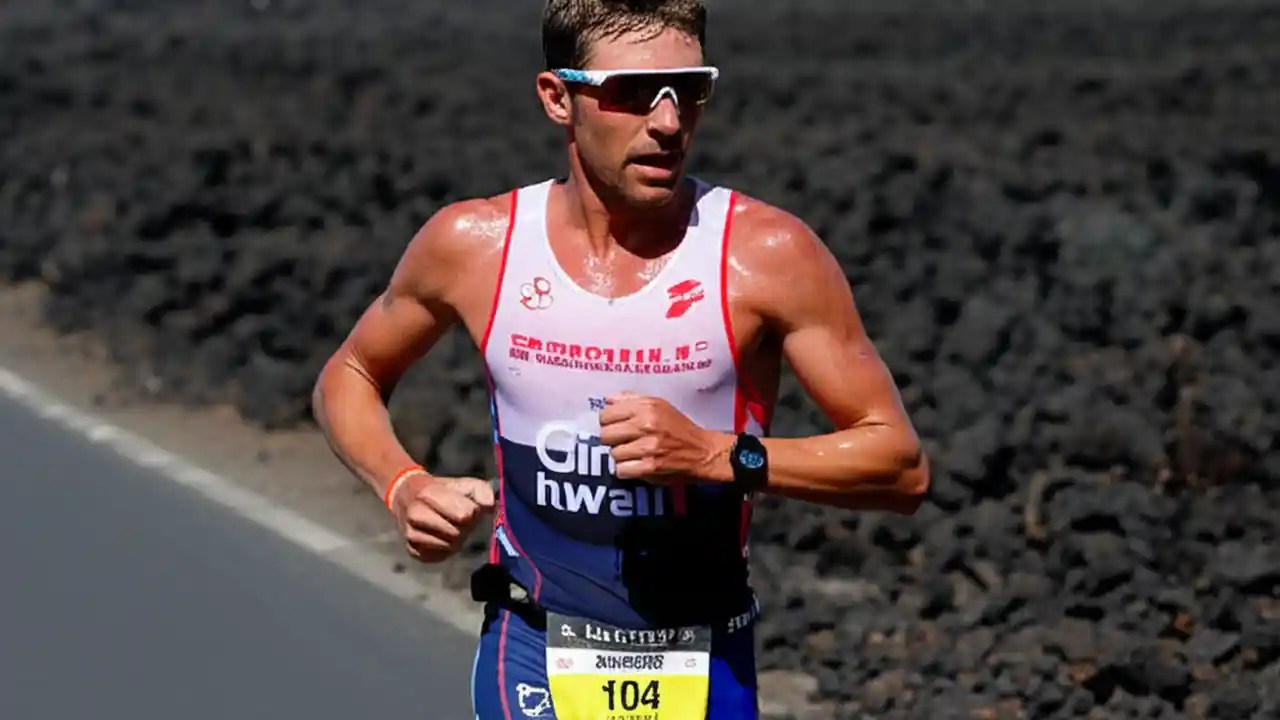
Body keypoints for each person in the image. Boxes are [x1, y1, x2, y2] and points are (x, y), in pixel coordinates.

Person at [312, 0, 930, 717]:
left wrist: (720, 456)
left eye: (688, 90)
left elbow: (900, 465)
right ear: (557, 98)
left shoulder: (765, 256)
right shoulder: (476, 246)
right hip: (534, 645)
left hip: (703, 661)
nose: (668, 122)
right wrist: (404, 486)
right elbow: (348, 376)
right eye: (633, 93)